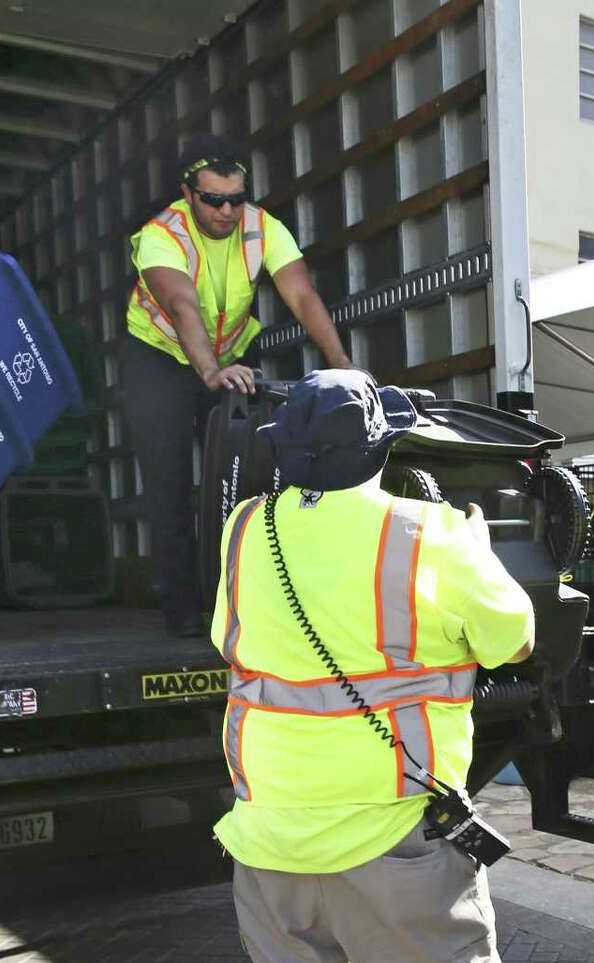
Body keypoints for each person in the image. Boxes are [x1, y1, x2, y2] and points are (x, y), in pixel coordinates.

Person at [212, 370, 567, 963]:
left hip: (270, 838)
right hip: (394, 839)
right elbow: (513, 638)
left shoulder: (245, 531)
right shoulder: (431, 535)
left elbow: (231, 641)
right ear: (382, 446)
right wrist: (475, 548)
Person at [124, 136, 353, 637]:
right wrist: (208, 370)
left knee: (248, 477)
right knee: (169, 481)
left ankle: (243, 599)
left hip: (229, 359)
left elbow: (301, 294)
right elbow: (182, 304)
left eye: (236, 198)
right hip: (160, 358)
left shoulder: (261, 227)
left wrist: (342, 363)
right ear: (188, 194)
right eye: (213, 200)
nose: (227, 210)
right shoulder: (162, 234)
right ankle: (182, 609)